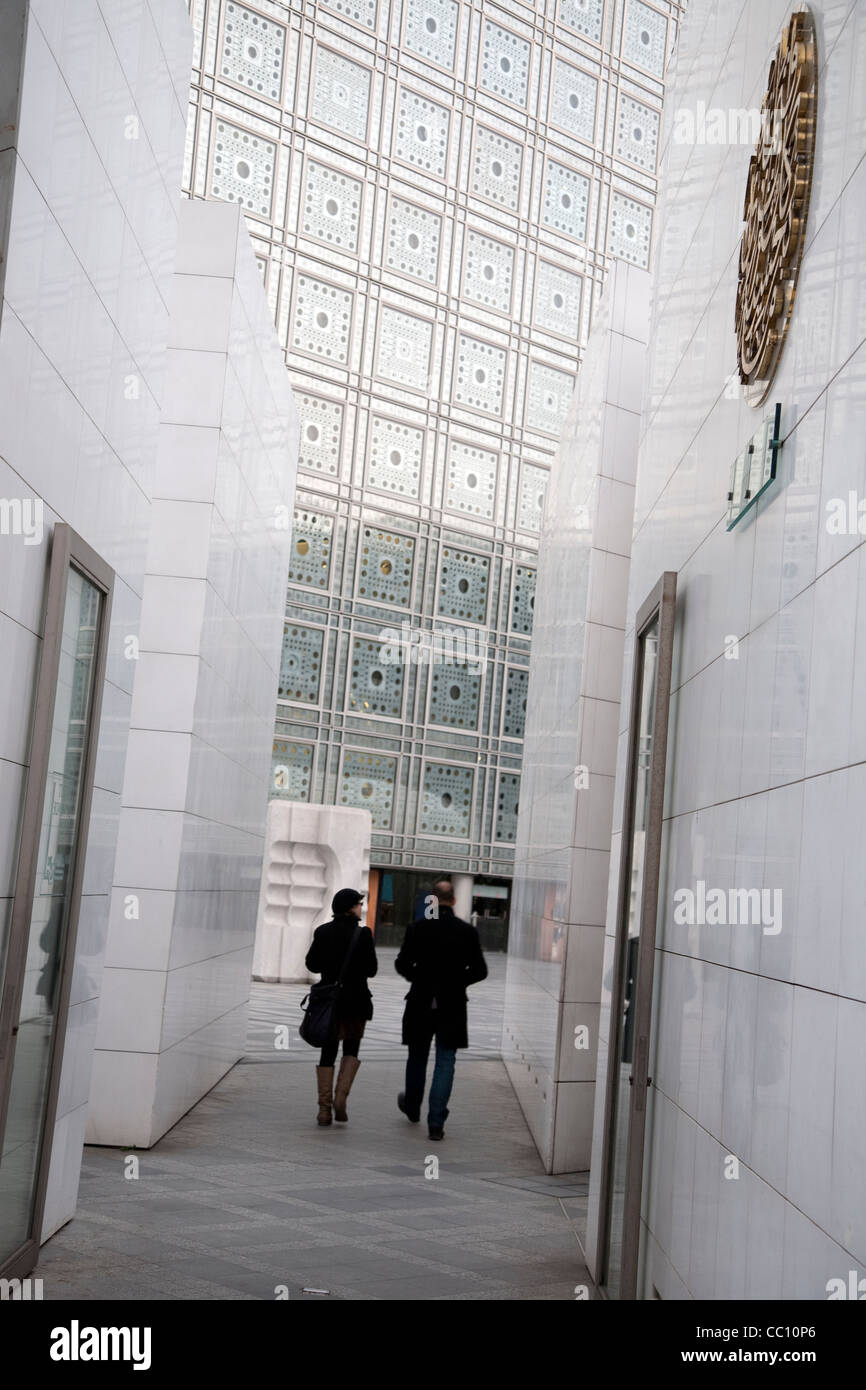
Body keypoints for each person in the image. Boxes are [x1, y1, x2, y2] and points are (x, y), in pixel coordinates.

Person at [395, 878, 487, 1140]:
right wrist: (457, 982)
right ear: (454, 901)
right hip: (452, 1004)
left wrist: (420, 978)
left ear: (432, 901)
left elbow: (402, 964)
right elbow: (480, 971)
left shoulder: (417, 928)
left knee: (417, 1056)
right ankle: (436, 1122)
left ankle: (412, 1107)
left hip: (420, 1001)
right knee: (445, 1061)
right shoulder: (467, 932)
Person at [305, 888, 377, 1126]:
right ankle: (341, 1100)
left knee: (328, 1050)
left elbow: (312, 964)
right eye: (358, 904)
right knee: (351, 1048)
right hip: (356, 1002)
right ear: (349, 908)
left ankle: (324, 1110)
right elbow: (372, 970)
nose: (361, 907)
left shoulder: (323, 932)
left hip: (329, 1003)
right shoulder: (363, 935)